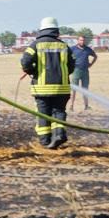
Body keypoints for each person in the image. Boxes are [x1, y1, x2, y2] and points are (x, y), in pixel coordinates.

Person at [21, 17, 74, 149]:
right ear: (56, 30)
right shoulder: (64, 45)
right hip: (62, 87)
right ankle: (59, 134)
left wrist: (31, 71)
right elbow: (72, 65)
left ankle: (45, 141)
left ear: (42, 30)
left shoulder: (35, 45)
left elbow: (25, 62)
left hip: (42, 88)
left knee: (43, 113)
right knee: (59, 111)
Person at [68, 35, 97, 111]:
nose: (82, 42)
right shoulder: (72, 49)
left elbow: (95, 56)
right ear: (78, 40)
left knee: (85, 89)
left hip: (85, 70)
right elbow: (67, 56)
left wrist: (91, 64)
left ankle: (86, 106)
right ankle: (71, 106)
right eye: (81, 40)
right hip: (76, 70)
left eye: (83, 40)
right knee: (74, 89)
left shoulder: (88, 49)